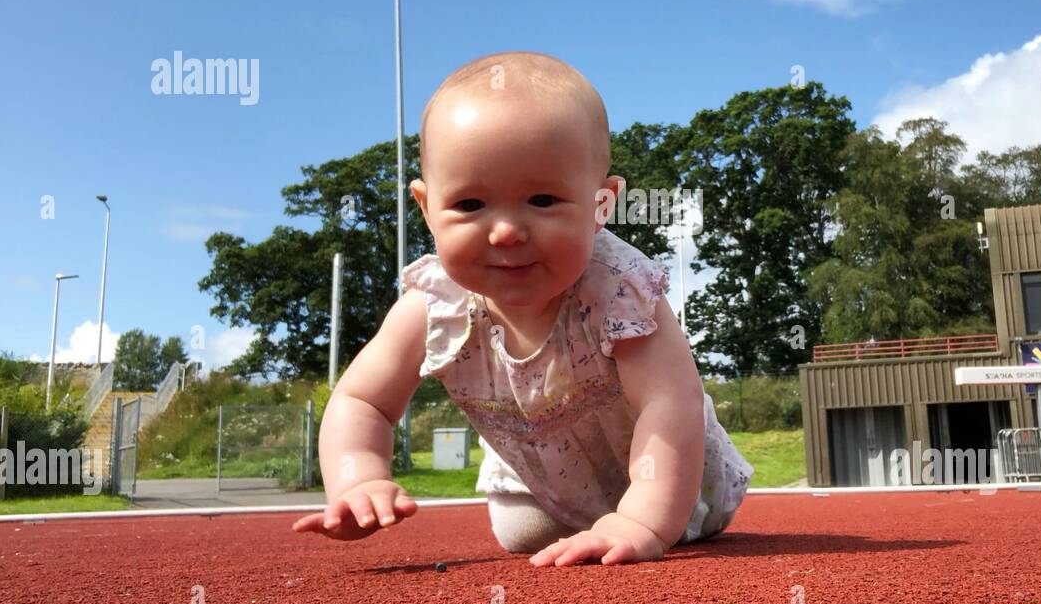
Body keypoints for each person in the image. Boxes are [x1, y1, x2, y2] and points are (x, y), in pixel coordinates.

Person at [293, 51, 753, 565]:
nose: (507, 231)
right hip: (544, 484)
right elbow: (363, 402)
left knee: (649, 519)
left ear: (602, 203)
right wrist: (360, 478)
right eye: (470, 205)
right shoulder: (434, 305)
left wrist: (642, 519)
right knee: (520, 533)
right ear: (426, 208)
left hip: (674, 487)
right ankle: (569, 514)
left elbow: (670, 404)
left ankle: (641, 517)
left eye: (542, 200)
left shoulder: (618, 290)